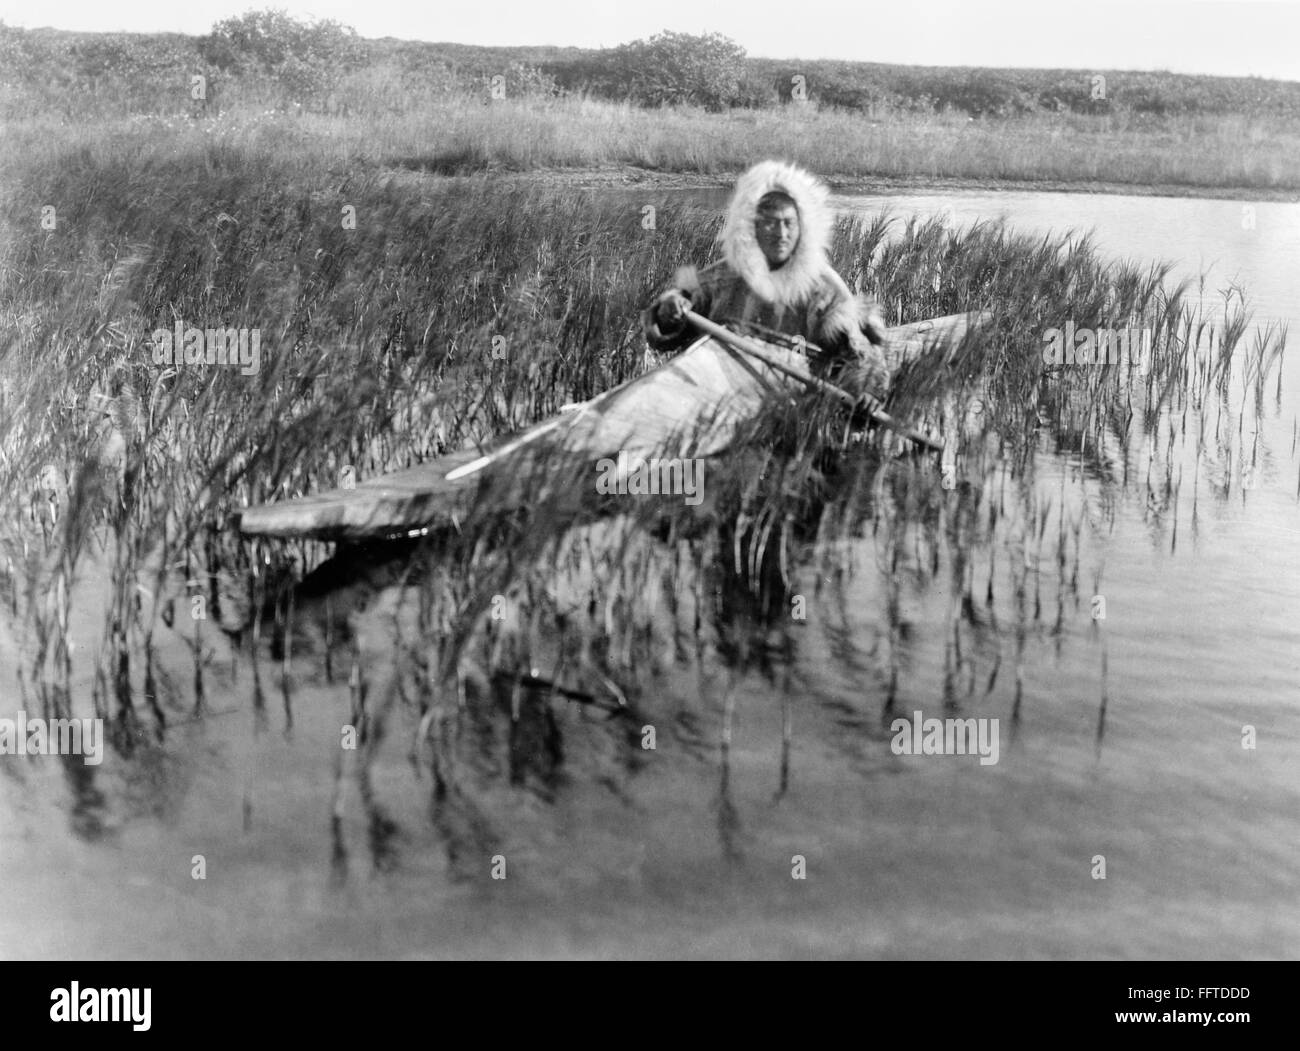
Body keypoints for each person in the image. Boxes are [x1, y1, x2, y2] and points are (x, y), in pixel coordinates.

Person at [642, 160, 890, 400]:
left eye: (788, 223)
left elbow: (859, 357)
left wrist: (865, 392)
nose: (781, 234)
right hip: (719, 396)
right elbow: (668, 325)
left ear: (801, 227)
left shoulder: (823, 289)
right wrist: (670, 309)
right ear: (752, 227)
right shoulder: (723, 277)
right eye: (770, 223)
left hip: (788, 404)